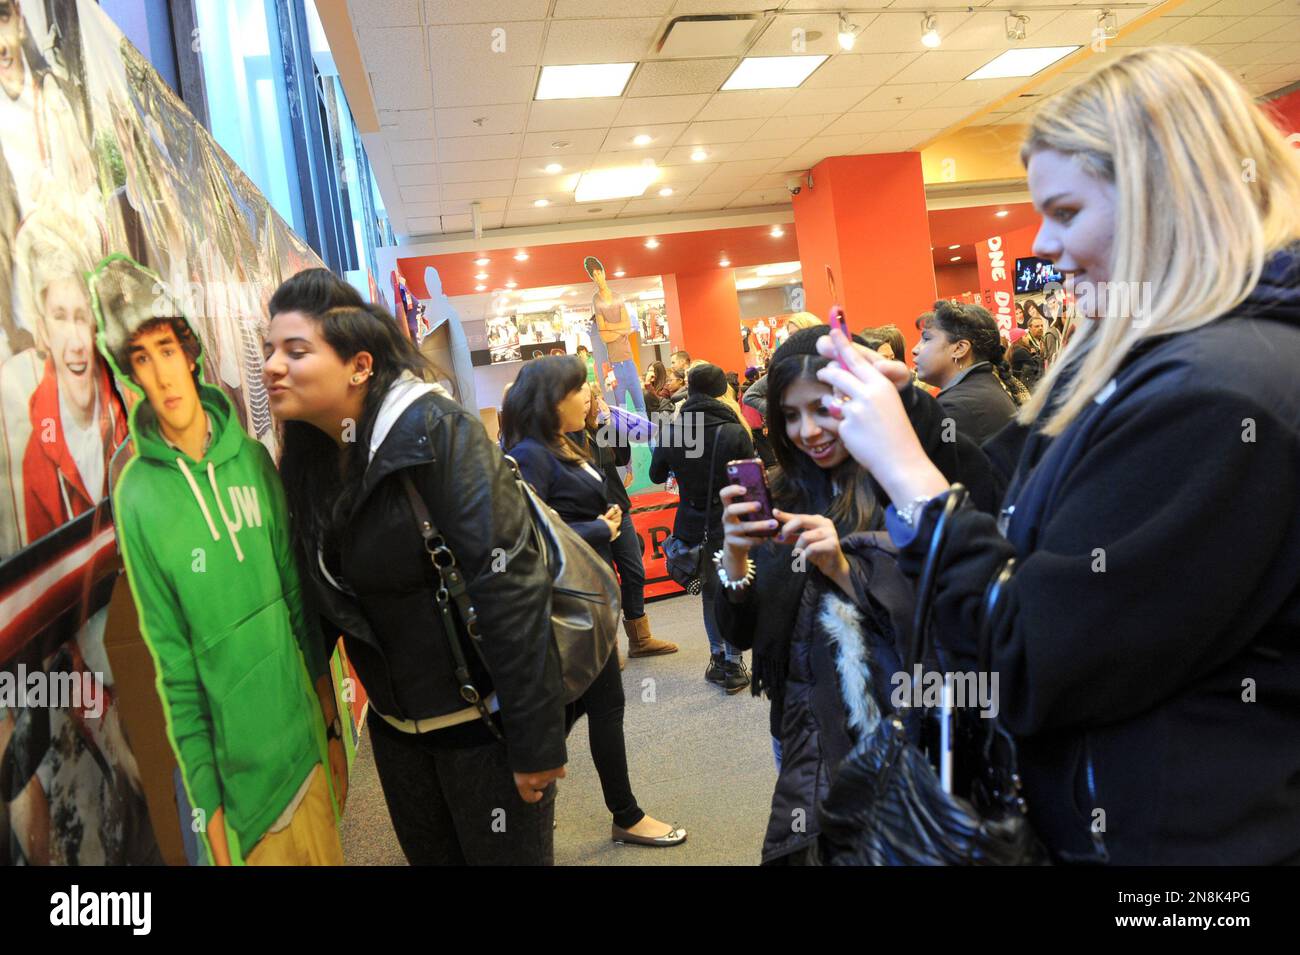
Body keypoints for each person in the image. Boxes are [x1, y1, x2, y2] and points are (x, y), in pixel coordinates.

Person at [812, 46, 1300, 864]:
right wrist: (919, 421)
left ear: (1162, 199)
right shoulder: (1167, 357)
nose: (1048, 246)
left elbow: (1032, 655)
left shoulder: (1216, 393)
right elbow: (1031, 509)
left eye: (1067, 212)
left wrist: (909, 478)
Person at [267, 268, 567, 865]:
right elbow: (321, 603)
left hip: (485, 729)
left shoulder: (435, 428)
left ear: (359, 365)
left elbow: (510, 579)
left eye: (295, 351)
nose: (274, 365)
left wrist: (537, 738)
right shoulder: (313, 459)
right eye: (268, 349)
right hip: (398, 736)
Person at [90, 256, 344, 866]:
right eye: (141, 358)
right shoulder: (139, 496)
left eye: (167, 349)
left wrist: (330, 729)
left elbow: (295, 607)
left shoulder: (254, 461)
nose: (162, 373)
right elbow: (173, 666)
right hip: (241, 796)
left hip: (305, 756)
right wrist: (209, 809)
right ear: (130, 374)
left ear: (191, 351)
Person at [503, 356, 686, 848]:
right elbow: (524, 534)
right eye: (580, 388)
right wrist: (596, 528)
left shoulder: (566, 442)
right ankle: (620, 814)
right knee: (593, 704)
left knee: (586, 705)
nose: (589, 395)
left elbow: (613, 468)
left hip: (589, 599)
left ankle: (526, 798)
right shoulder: (529, 455)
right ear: (551, 400)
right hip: (566, 606)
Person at [15, 208, 127, 544]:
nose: (77, 342)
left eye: (82, 317)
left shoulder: (126, 413)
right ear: (43, 332)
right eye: (60, 318)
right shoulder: (36, 458)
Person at [650, 363, 755, 694]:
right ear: (722, 391)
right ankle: (736, 663)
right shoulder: (735, 431)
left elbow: (656, 475)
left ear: (689, 390)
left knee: (709, 593)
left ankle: (718, 659)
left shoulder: (672, 429)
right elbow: (749, 483)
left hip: (691, 523)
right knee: (733, 588)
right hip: (730, 523)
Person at [572, 381, 678, 662]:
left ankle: (640, 639)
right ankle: (608, 648)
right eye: (581, 401)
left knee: (634, 572)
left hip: (620, 509)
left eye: (589, 400)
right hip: (591, 518)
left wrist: (610, 424)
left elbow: (621, 457)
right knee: (603, 580)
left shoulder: (598, 429)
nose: (586, 406)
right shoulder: (566, 439)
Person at [912, 301, 1021, 445]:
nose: (915, 349)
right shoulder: (982, 387)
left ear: (959, 348)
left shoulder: (956, 408)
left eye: (926, 339)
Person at [584, 256, 646, 416]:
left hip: (629, 361)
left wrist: (610, 329)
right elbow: (605, 336)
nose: (598, 277)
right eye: (594, 275)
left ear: (604, 272)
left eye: (599, 272)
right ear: (592, 278)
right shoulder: (596, 300)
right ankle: (625, 440)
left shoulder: (618, 296)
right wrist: (620, 330)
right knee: (622, 411)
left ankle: (650, 440)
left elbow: (627, 326)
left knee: (640, 407)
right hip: (614, 366)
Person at [742, 313, 822, 420]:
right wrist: (782, 414)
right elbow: (749, 396)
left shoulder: (830, 359)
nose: (795, 339)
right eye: (791, 335)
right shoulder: (785, 365)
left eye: (800, 333)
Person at [1011, 311, 1047, 390]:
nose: (1040, 328)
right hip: (1032, 385)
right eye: (1037, 326)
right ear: (1029, 328)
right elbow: (1034, 369)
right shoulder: (1026, 346)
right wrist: (1039, 356)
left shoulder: (1044, 339)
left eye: (1041, 326)